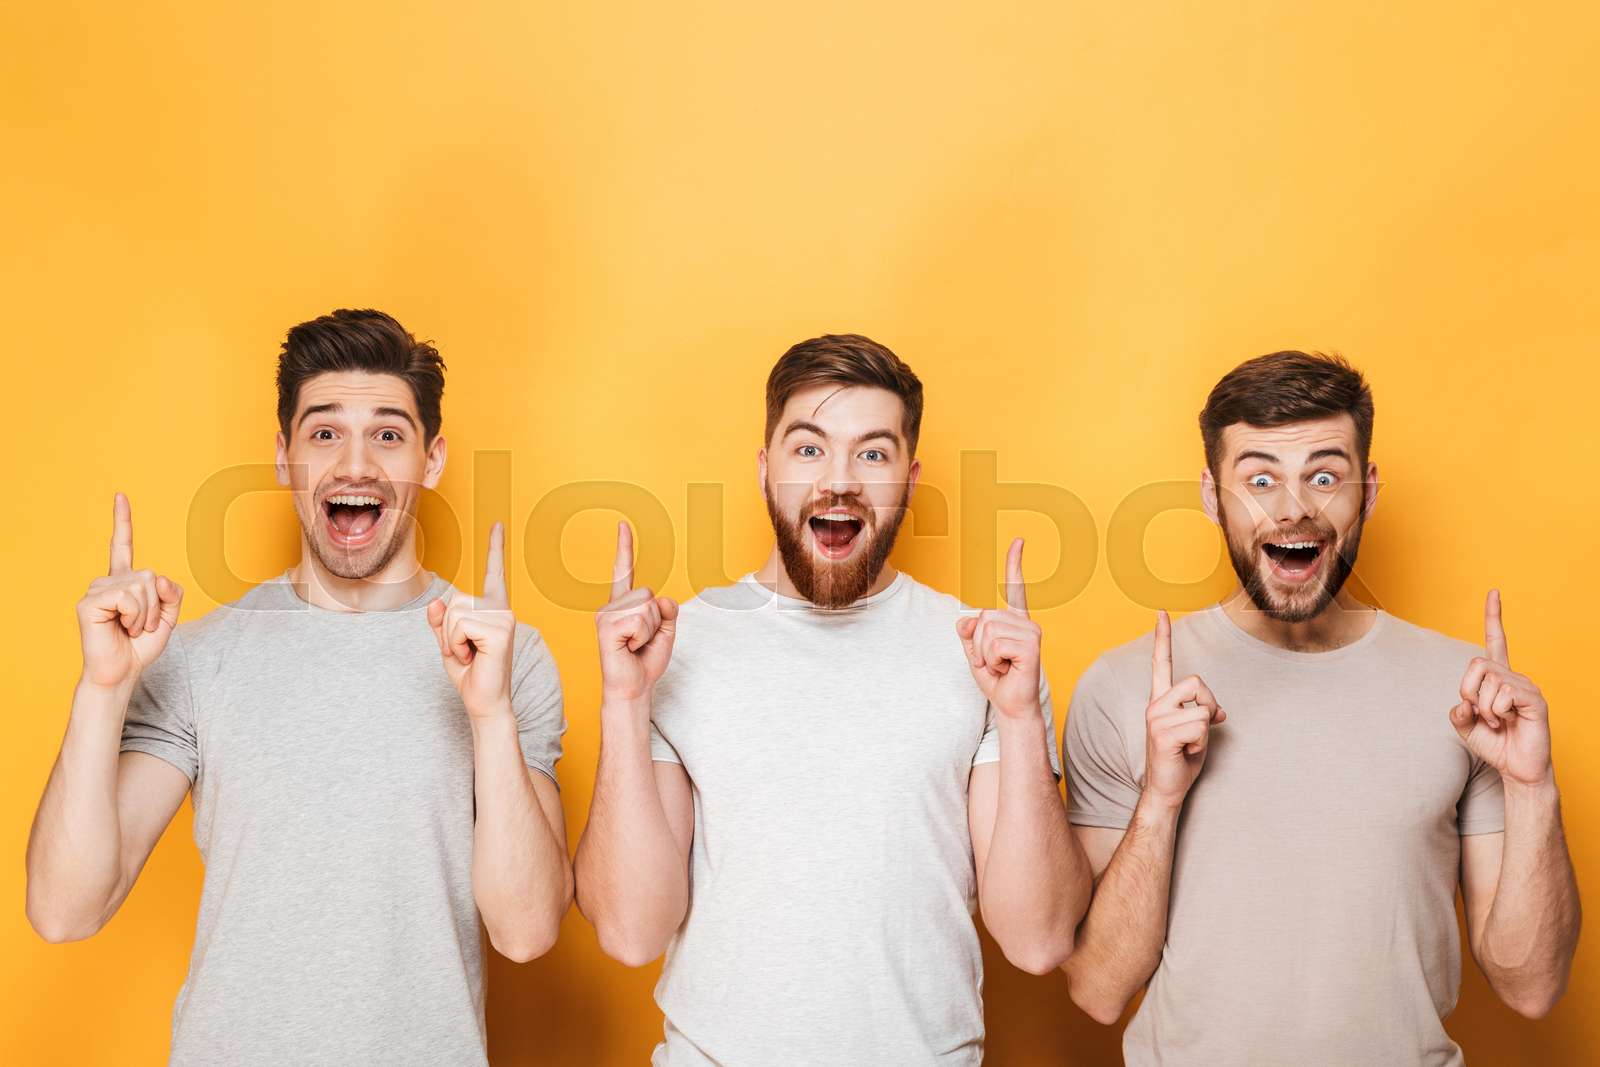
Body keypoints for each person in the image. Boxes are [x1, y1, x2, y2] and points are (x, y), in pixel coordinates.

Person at [25, 308, 572, 1066]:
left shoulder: (508, 658)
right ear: (284, 457)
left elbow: (528, 929)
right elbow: (63, 909)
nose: (355, 465)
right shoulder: (198, 658)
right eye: (324, 433)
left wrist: (490, 716)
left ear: (432, 459)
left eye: (387, 433)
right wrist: (101, 688)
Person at [574, 333, 1093, 1064]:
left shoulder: (983, 653)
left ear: (909, 479)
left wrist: (1020, 717)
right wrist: (625, 703)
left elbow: (1038, 940)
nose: (840, 480)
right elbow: (631, 932)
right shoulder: (674, 647)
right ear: (765, 469)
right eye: (809, 448)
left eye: (873, 453)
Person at [1062, 350, 1581, 1065]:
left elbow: (1531, 985)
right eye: (1260, 478)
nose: (1294, 507)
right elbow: (1096, 988)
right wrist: (1160, 798)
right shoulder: (1125, 688)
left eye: (1325, 475)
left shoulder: (1468, 697)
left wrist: (1532, 785)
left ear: (1366, 491)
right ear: (1212, 495)